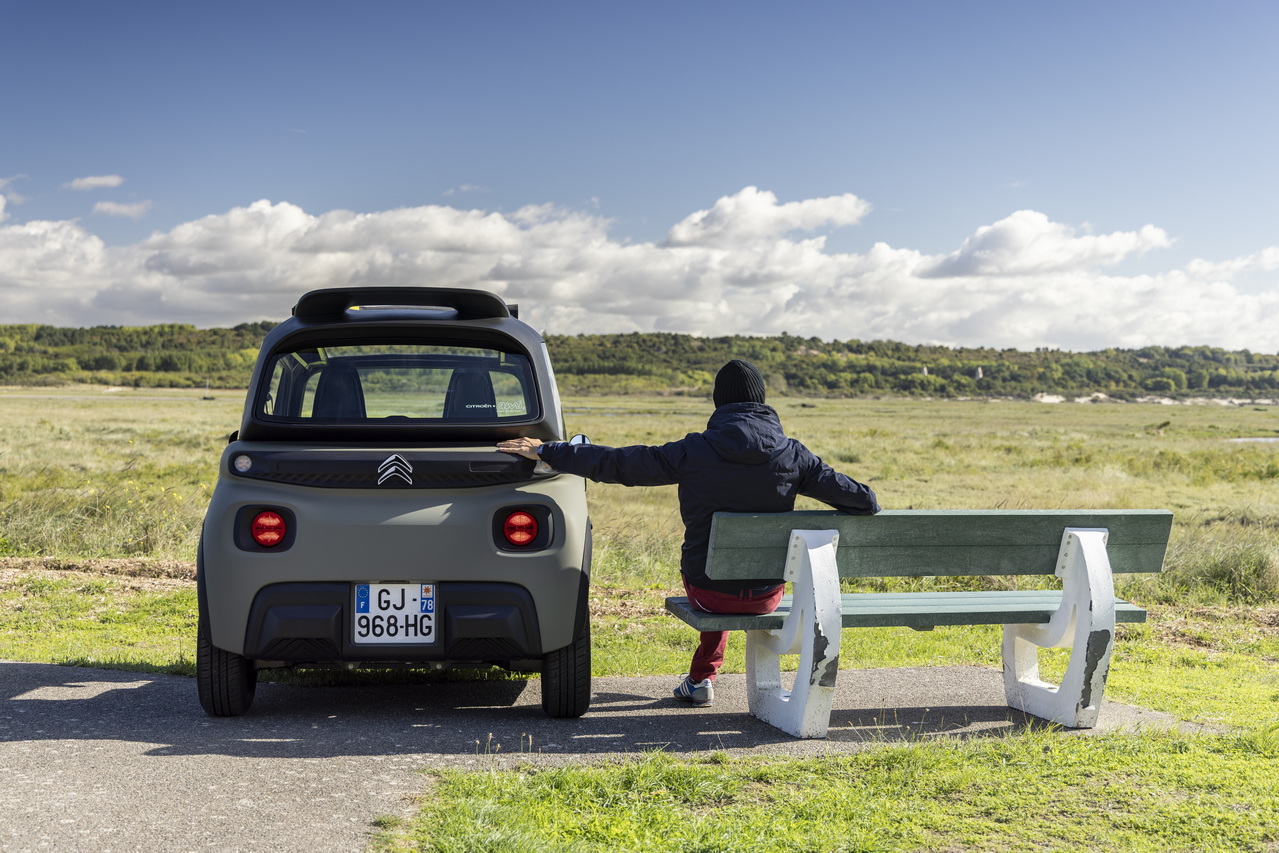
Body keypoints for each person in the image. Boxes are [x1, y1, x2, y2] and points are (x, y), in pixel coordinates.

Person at [497, 359, 880, 707]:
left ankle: (701, 680)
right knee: (738, 572)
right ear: (762, 402)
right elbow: (864, 500)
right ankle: (700, 679)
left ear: (719, 403)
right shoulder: (794, 454)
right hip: (766, 594)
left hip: (708, 591)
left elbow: (620, 464)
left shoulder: (696, 450)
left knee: (715, 569)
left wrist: (550, 450)